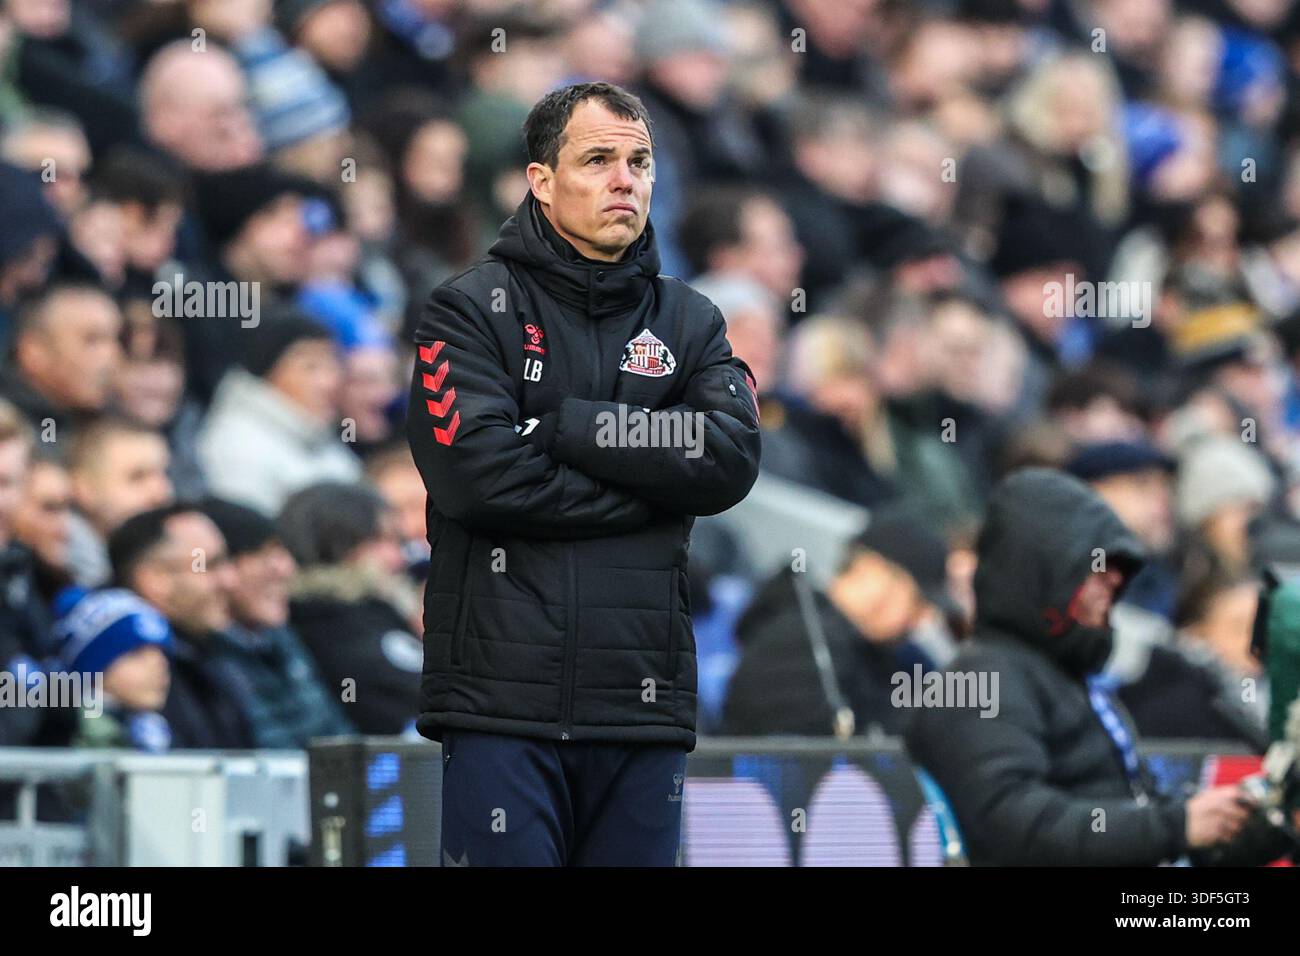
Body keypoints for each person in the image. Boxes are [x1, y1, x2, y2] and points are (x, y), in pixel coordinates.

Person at [406, 81, 761, 866]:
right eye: (597, 159)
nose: (624, 179)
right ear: (541, 180)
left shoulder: (690, 320)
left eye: (639, 161)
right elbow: (477, 478)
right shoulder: (468, 310)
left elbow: (730, 460)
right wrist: (653, 489)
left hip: (641, 707)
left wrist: (571, 425)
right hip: (502, 707)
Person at [905, 468, 1269, 865]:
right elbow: (1013, 826)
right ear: (1038, 572)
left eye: (1116, 573)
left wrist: (1269, 827)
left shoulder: (1067, 680)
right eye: (1095, 571)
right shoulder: (977, 682)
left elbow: (1137, 820)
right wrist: (1175, 825)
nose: (1112, 585)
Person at [721, 508, 953, 737]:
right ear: (873, 572)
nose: (922, 619)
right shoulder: (803, 642)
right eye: (918, 601)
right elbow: (809, 760)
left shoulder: (874, 653)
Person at [200, 497, 354, 749]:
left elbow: (336, 739)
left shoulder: (282, 639)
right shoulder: (200, 656)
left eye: (281, 553)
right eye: (263, 555)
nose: (286, 569)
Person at [278, 482, 421, 736]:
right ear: (335, 542)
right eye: (380, 540)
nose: (398, 558)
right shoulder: (325, 624)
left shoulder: (377, 613)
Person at [106, 504, 252, 749]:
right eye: (209, 565)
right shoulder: (119, 666)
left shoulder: (215, 656)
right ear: (155, 580)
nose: (230, 580)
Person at [196, 312, 361, 516]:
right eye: (311, 367)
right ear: (268, 371)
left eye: (332, 364)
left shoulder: (315, 431)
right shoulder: (238, 447)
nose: (330, 381)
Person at [52, 586, 175, 752]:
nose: (159, 665)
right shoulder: (62, 731)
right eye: (136, 653)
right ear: (93, 667)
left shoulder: (154, 730)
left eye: (160, 652)